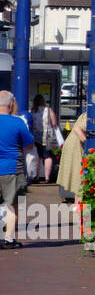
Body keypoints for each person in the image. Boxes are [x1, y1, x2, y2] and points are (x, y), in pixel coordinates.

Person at [0, 90, 35, 249]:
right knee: (12, 205)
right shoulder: (17, 122)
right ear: (11, 104)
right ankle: (8, 239)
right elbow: (30, 144)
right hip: (12, 168)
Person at [55, 112, 88, 201]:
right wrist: (86, 141)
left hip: (73, 146)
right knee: (78, 175)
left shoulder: (86, 114)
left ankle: (77, 203)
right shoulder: (89, 116)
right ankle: (78, 204)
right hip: (75, 147)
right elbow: (77, 128)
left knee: (77, 176)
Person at [31, 94, 59, 183]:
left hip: (35, 137)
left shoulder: (32, 111)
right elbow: (54, 123)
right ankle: (47, 178)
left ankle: (37, 177)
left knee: (38, 157)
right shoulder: (48, 110)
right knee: (48, 157)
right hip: (48, 137)